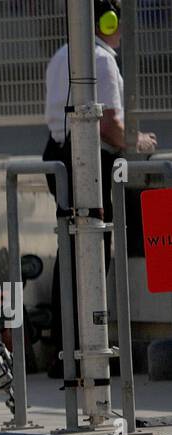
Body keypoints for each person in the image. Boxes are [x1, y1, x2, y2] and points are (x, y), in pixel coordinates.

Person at [42, 0, 157, 377]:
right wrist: (138, 141)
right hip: (85, 161)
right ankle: (86, 348)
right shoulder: (102, 61)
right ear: (107, 22)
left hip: (58, 157)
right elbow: (109, 126)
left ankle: (67, 349)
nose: (122, 29)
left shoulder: (63, 53)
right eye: (118, 21)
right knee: (91, 249)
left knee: (71, 248)